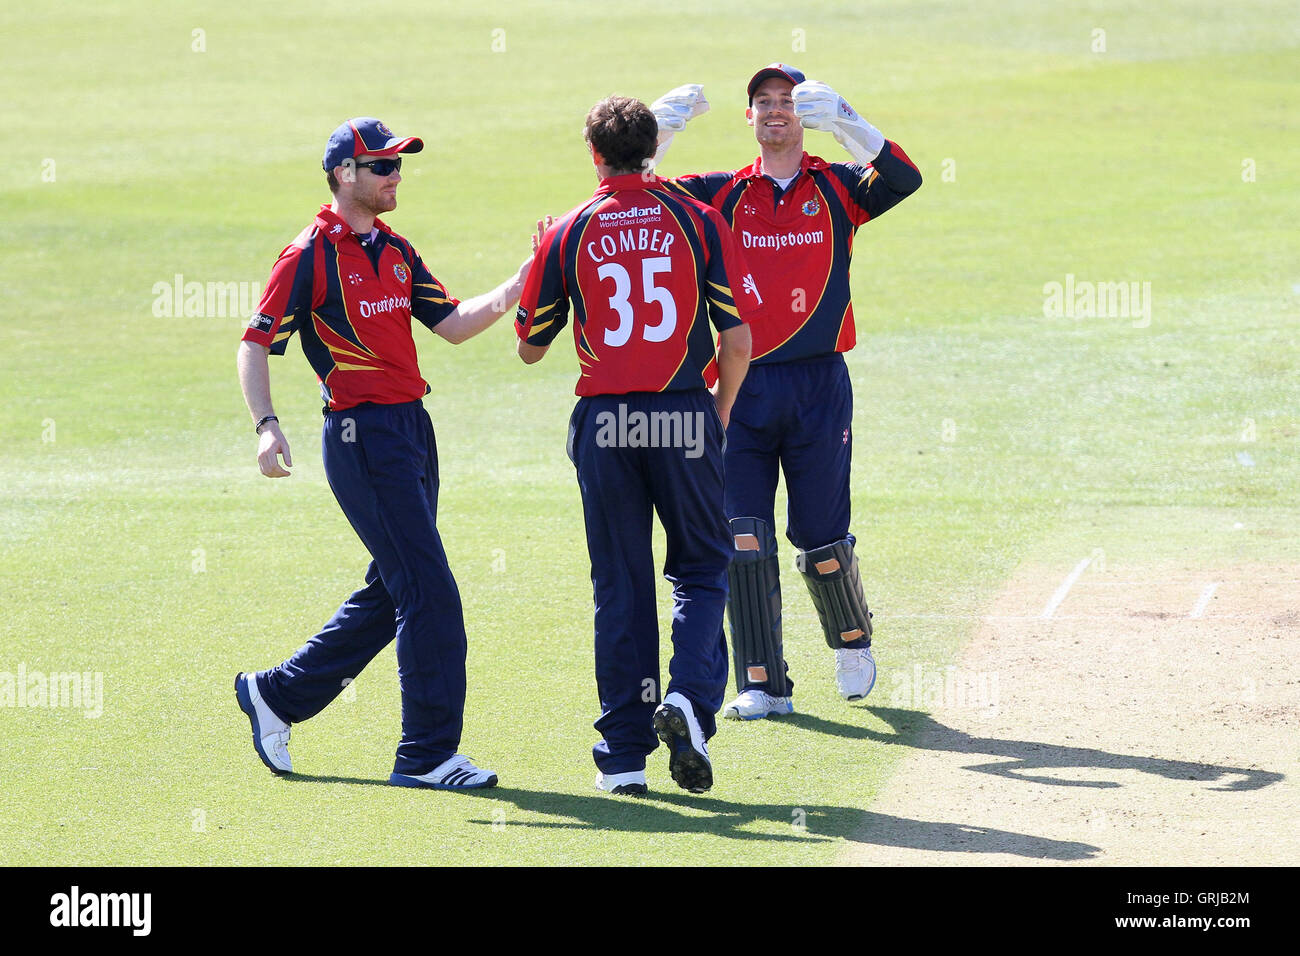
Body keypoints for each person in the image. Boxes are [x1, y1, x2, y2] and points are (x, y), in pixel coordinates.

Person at [234, 117, 532, 790]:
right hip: (361, 438)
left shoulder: (393, 248)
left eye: (399, 166)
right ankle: (426, 754)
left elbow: (452, 324)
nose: (396, 176)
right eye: (383, 166)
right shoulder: (308, 253)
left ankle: (277, 695)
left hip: (411, 431)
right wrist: (267, 424)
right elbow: (255, 342)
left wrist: (517, 284)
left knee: (392, 588)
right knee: (431, 593)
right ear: (345, 173)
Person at [649, 65, 922, 719]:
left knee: (822, 537)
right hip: (740, 386)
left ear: (806, 116)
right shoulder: (723, 193)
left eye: (790, 103)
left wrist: (850, 119)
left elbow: (905, 178)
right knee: (742, 535)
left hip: (818, 384)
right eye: (763, 102)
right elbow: (641, 197)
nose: (775, 111)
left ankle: (852, 644)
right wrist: (655, 132)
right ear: (748, 118)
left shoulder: (837, 186)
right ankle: (764, 684)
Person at [515, 96, 761, 795]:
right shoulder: (698, 219)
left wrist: (540, 259)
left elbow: (532, 348)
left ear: (594, 154)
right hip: (682, 413)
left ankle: (623, 756)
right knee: (702, 566)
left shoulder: (570, 230)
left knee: (619, 584)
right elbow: (738, 340)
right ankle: (687, 698)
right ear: (653, 150)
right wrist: (714, 414)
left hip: (603, 423)